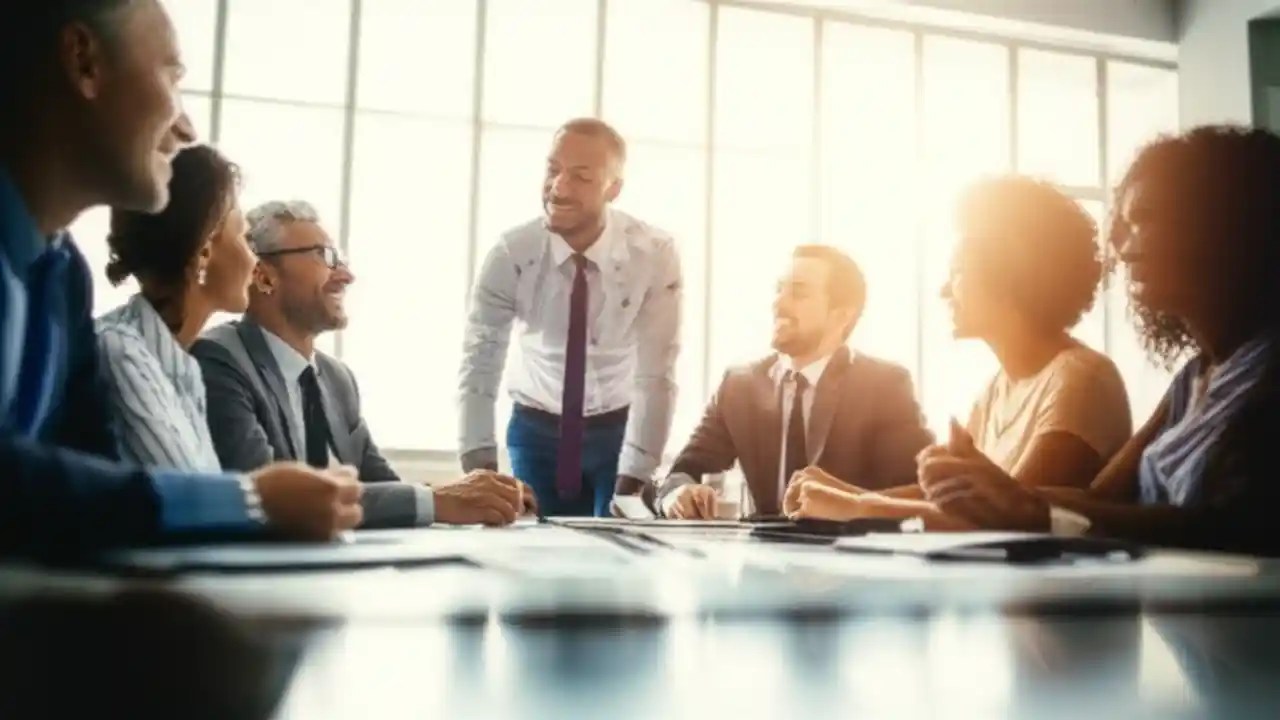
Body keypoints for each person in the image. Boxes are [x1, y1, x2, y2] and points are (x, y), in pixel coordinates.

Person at [0, 0, 362, 556]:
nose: (186, 126)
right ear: (84, 62)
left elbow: (88, 481)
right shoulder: (122, 341)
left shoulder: (63, 275)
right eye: (171, 74)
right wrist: (246, 502)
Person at [915, 125, 1280, 556]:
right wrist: (1000, 490)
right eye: (1121, 224)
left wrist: (1033, 510)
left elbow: (1234, 529)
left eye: (1143, 219)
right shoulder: (1196, 375)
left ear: (1229, 224)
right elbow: (1101, 498)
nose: (1122, 248)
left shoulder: (1268, 373)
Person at [785, 177, 1132, 522]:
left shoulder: (1080, 378)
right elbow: (954, 500)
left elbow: (1006, 518)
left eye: (958, 273)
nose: (944, 291)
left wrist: (856, 506)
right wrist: (846, 495)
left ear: (1009, 274)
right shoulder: (996, 391)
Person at [193, 201, 530, 527]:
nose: (346, 276)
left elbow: (383, 485)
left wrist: (482, 497)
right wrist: (441, 499)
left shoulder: (337, 379)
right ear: (264, 277)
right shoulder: (219, 360)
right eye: (324, 257)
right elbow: (269, 498)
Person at [459, 118, 682, 517]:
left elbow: (656, 374)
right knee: (537, 549)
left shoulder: (654, 254)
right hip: (535, 428)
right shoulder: (512, 254)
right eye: (552, 170)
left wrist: (635, 478)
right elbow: (480, 364)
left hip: (617, 428)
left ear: (613, 188)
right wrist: (480, 472)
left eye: (581, 177)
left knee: (617, 547)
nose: (559, 187)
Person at [658, 245, 934, 519]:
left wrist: (847, 502)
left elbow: (918, 492)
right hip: (763, 557)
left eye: (798, 292)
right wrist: (677, 495)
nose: (778, 303)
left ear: (842, 314)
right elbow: (684, 472)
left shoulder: (885, 386)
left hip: (852, 556)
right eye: (779, 289)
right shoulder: (740, 385)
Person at [96, 144, 256, 471]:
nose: (254, 258)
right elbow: (189, 499)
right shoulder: (121, 352)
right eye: (243, 237)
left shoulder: (182, 365)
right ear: (205, 252)